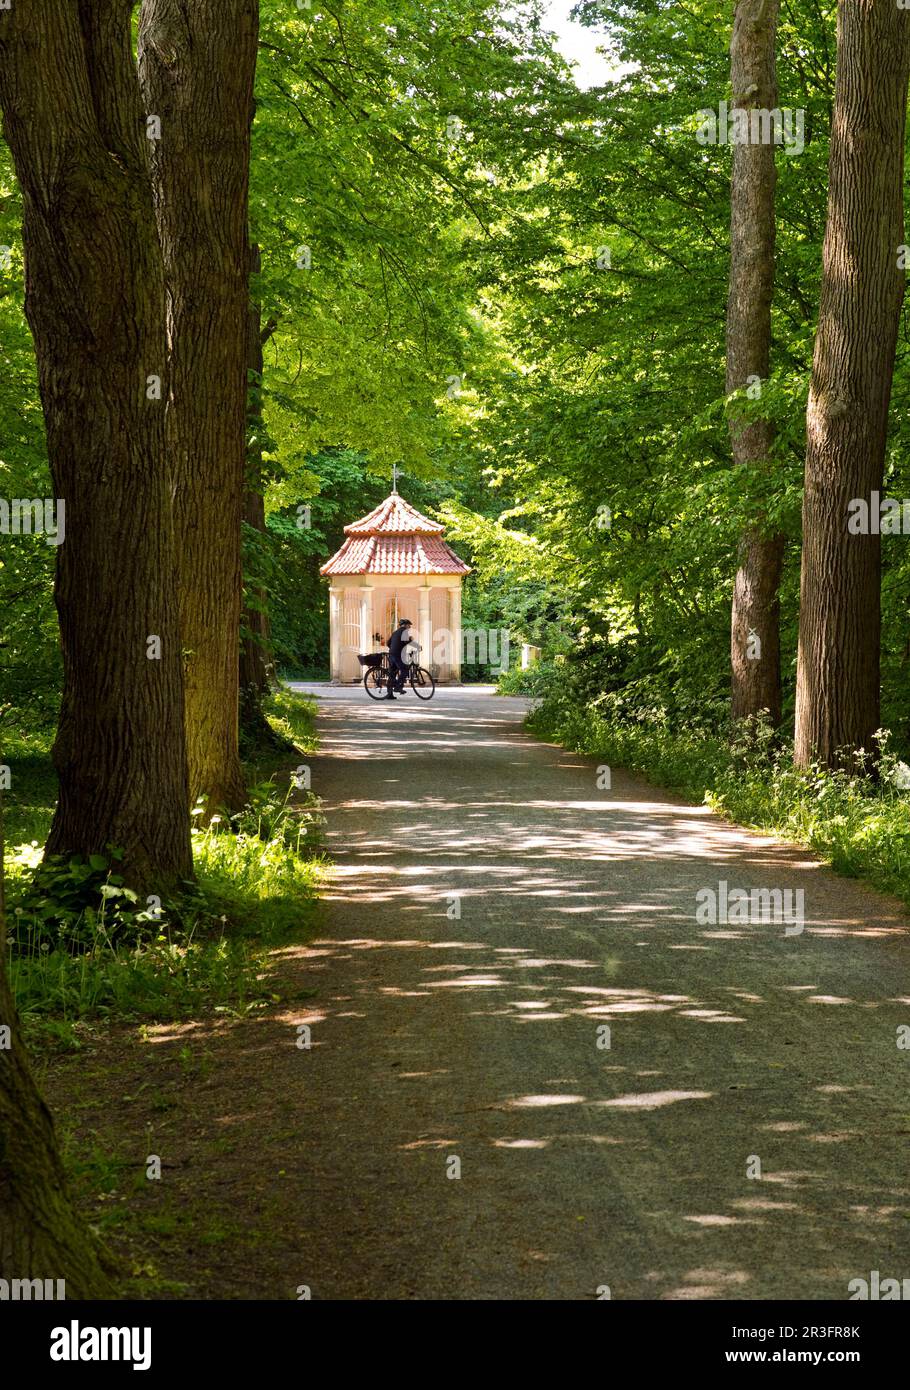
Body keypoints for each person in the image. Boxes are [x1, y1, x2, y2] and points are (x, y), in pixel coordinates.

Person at [385, 618, 413, 699]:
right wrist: (411, 640)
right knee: (404, 670)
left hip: (391, 655)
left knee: (392, 674)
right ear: (405, 625)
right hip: (397, 655)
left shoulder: (395, 632)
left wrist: (394, 648)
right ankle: (397, 687)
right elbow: (407, 643)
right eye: (409, 625)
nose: (409, 627)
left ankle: (389, 694)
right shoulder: (404, 632)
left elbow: (388, 643)